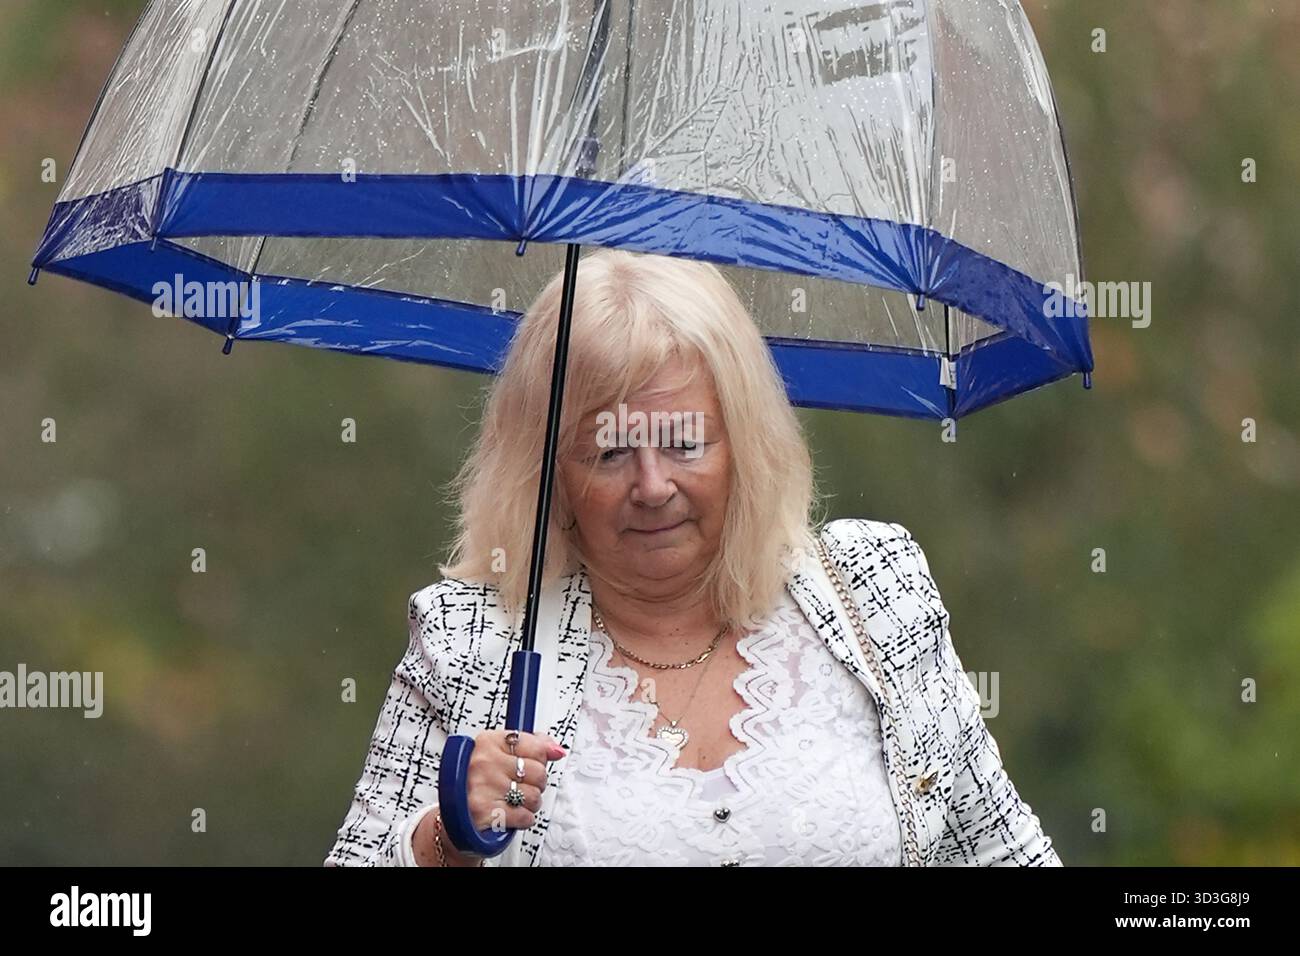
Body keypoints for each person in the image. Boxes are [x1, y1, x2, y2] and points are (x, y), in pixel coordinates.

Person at [324, 248, 1061, 867]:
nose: (652, 486)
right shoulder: (471, 643)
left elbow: (1001, 850)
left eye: (685, 442)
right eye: (609, 450)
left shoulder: (875, 590)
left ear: (743, 439)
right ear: (548, 471)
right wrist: (442, 840)